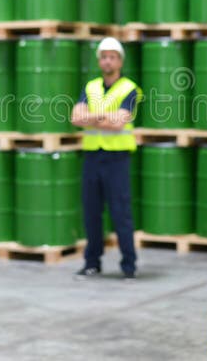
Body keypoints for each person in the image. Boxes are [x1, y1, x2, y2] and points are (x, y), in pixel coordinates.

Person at [70, 37, 141, 280]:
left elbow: (119, 122)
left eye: (112, 56)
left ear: (120, 61)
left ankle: (129, 265)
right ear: (99, 60)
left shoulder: (130, 88)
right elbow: (75, 118)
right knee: (91, 211)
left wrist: (92, 116)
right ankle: (92, 262)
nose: (107, 60)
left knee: (121, 212)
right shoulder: (90, 88)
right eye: (103, 56)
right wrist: (103, 117)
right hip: (92, 157)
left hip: (117, 159)